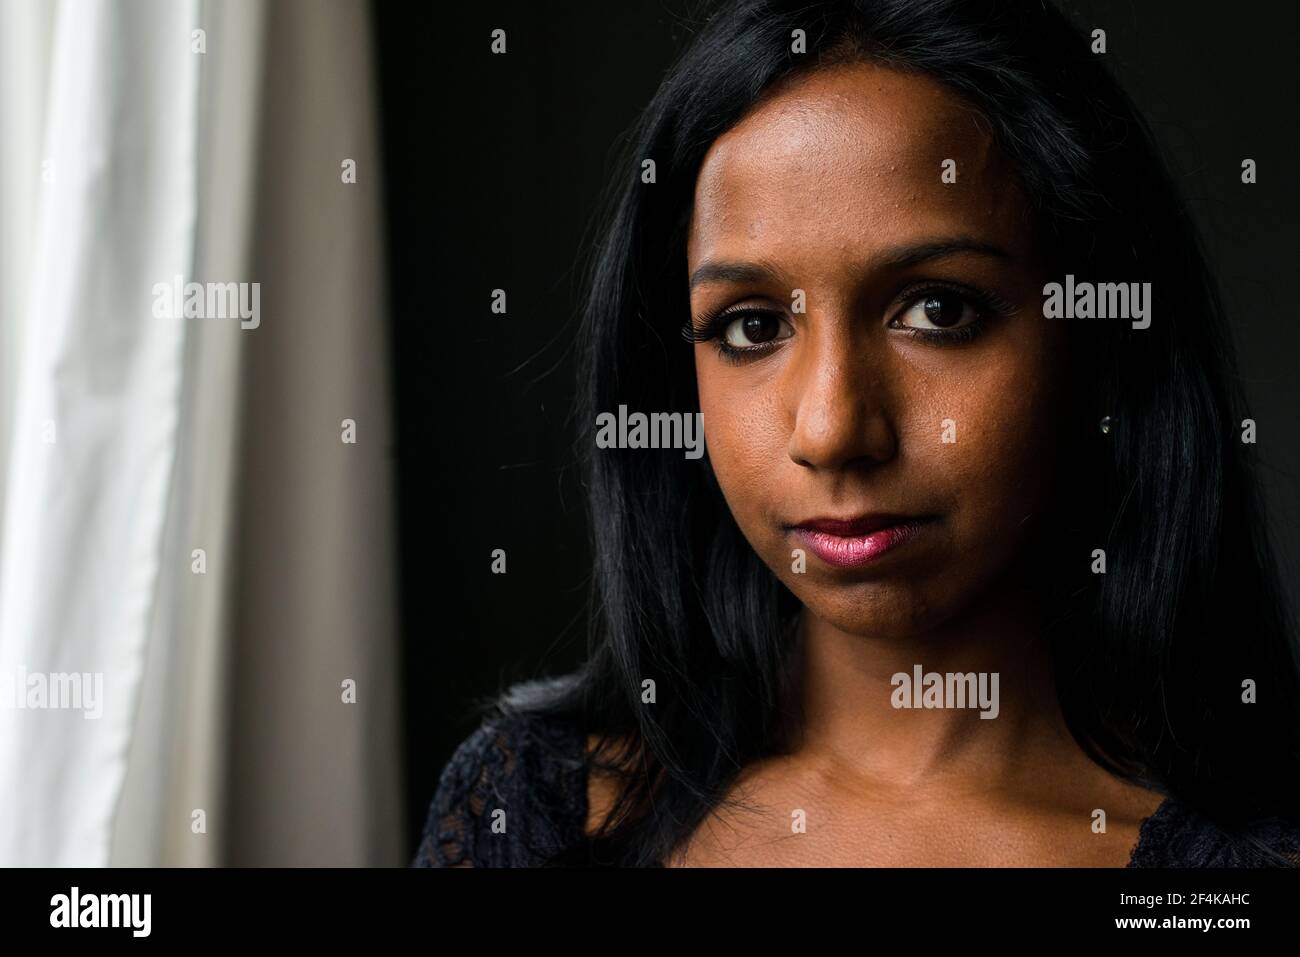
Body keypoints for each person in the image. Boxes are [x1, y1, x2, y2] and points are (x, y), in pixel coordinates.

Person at [414, 0, 1300, 867]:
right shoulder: (536, 808)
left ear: (1100, 337)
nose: (833, 428)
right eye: (752, 327)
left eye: (937, 309)